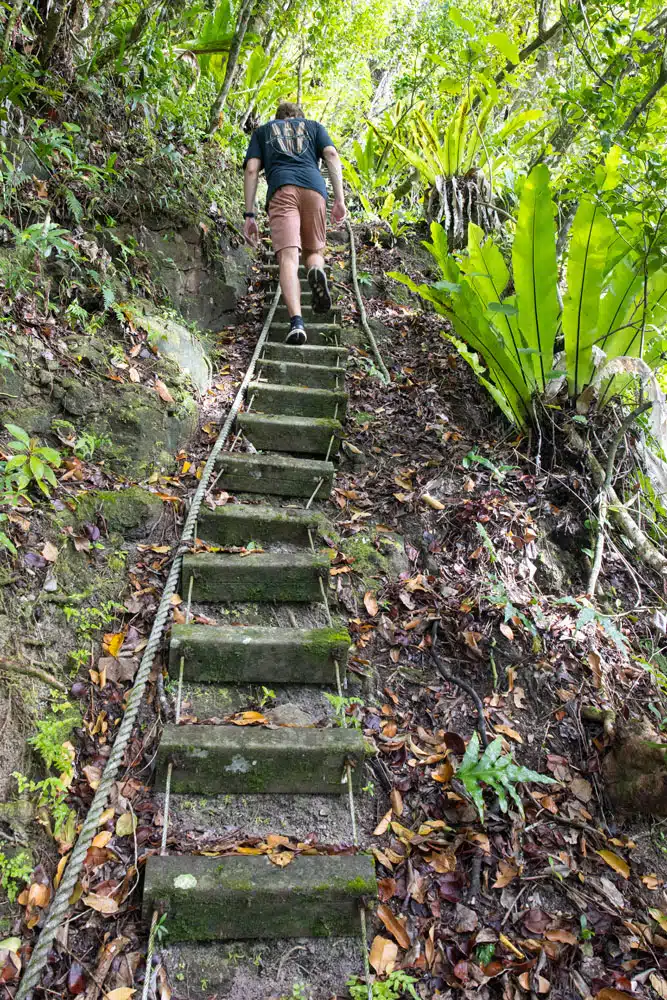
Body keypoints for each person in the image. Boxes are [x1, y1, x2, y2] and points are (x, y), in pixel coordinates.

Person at [242, 101, 347, 345]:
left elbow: (252, 170)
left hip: (282, 190)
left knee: (288, 258)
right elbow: (331, 155)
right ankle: (315, 270)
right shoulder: (314, 127)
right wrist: (340, 200)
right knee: (314, 252)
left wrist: (249, 215)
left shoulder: (263, 132)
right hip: (314, 189)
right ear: (300, 116)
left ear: (278, 118)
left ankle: (297, 323)